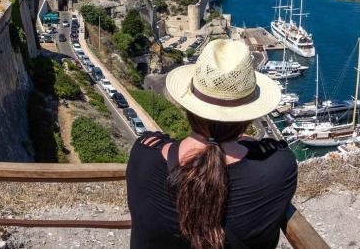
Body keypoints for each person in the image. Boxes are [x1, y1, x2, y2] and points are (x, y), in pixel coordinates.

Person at [126, 39, 297, 249]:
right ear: (247, 116)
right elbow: (272, 149)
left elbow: (159, 142)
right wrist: (243, 144)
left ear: (189, 108)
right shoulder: (279, 167)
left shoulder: (143, 156)